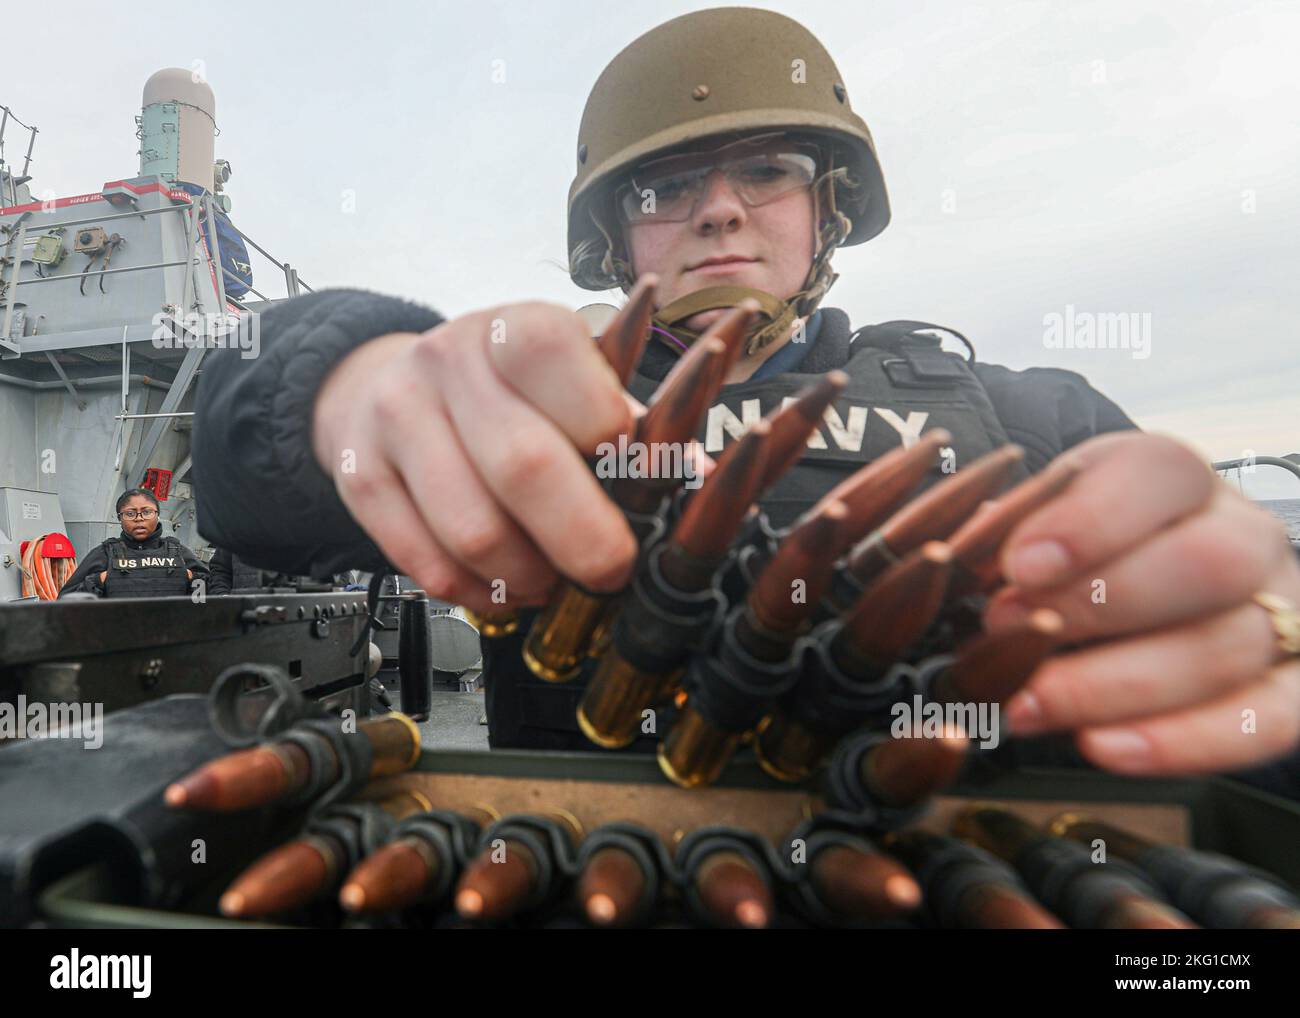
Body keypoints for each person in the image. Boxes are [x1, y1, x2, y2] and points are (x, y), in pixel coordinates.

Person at [192, 8, 1300, 781]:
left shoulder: (1029, 423)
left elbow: (1251, 711)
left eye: (765, 171)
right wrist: (344, 380)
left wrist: (1262, 632)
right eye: (666, 186)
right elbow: (244, 494)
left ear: (827, 209)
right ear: (615, 236)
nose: (718, 210)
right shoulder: (519, 413)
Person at [58, 488, 209, 599]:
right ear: (120, 518)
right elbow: (66, 602)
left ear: (157, 515)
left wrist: (194, 578)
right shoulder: (105, 553)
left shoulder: (179, 553)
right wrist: (98, 581)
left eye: (146, 512)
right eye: (130, 513)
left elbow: (205, 601)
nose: (139, 518)